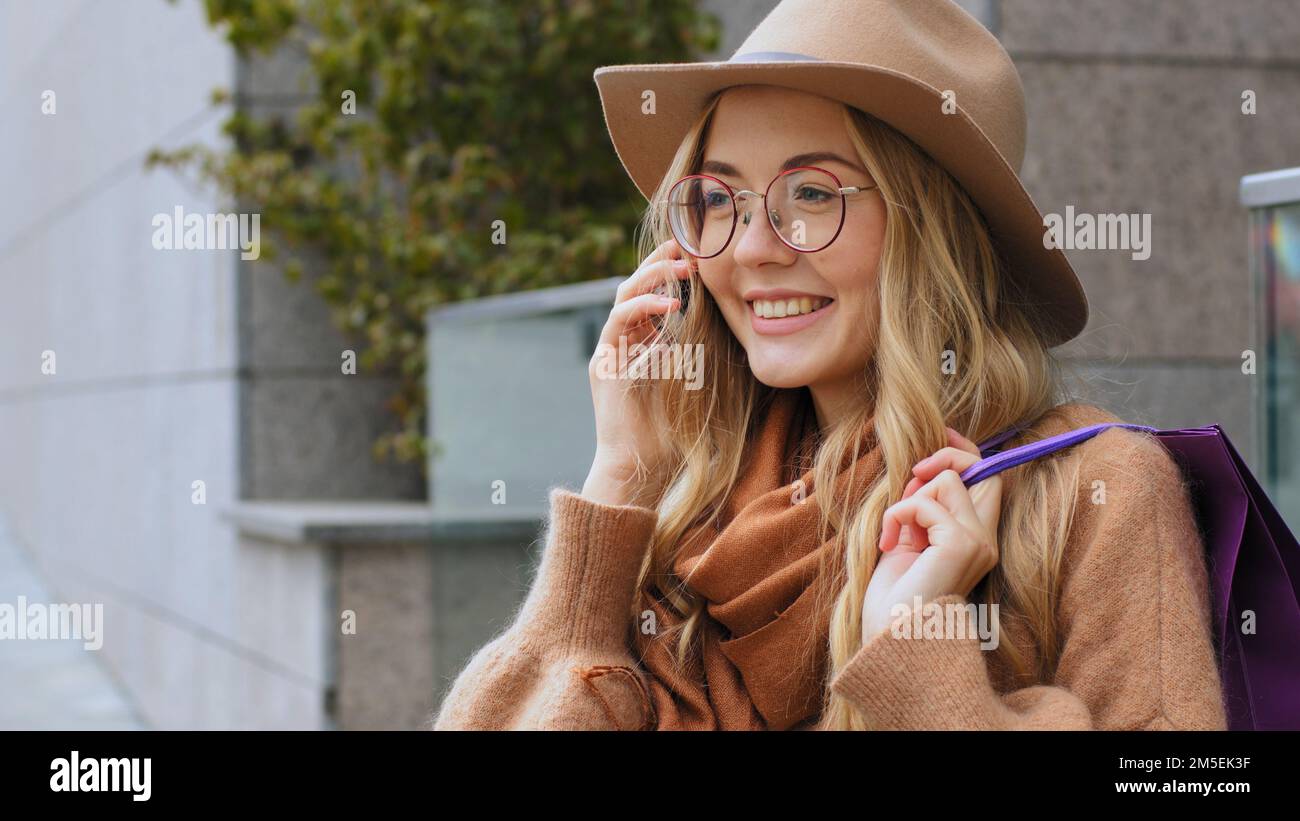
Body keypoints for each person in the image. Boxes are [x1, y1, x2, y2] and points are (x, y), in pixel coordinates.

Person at [431, 0, 1227, 730]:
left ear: (936, 227)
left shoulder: (1094, 494)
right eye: (719, 198)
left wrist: (919, 653)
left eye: (811, 193)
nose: (750, 248)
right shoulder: (689, 510)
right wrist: (617, 483)